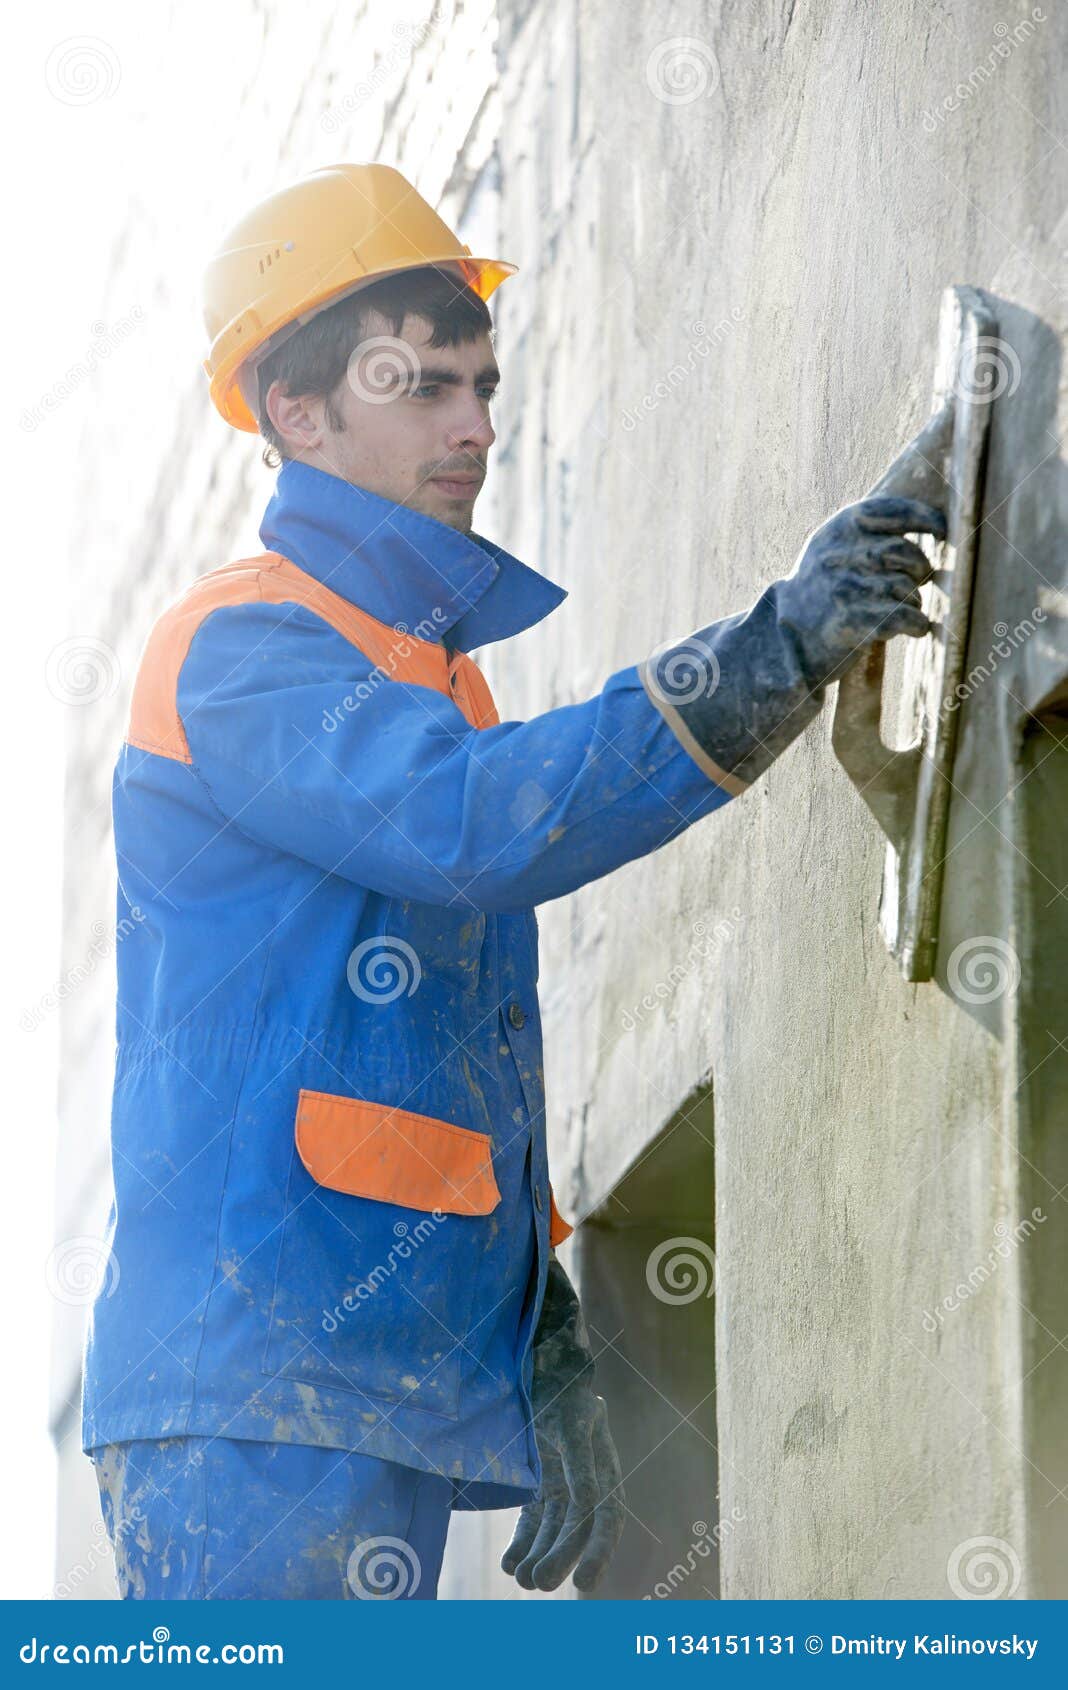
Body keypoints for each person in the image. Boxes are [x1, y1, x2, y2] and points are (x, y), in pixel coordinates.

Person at [81, 163, 947, 1600]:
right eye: (422, 386)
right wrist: (777, 648)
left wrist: (537, 1334)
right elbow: (476, 821)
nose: (477, 425)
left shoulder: (435, 683)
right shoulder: (244, 652)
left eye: (483, 383)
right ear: (298, 412)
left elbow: (452, 1066)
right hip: (243, 1397)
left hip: (362, 1396)